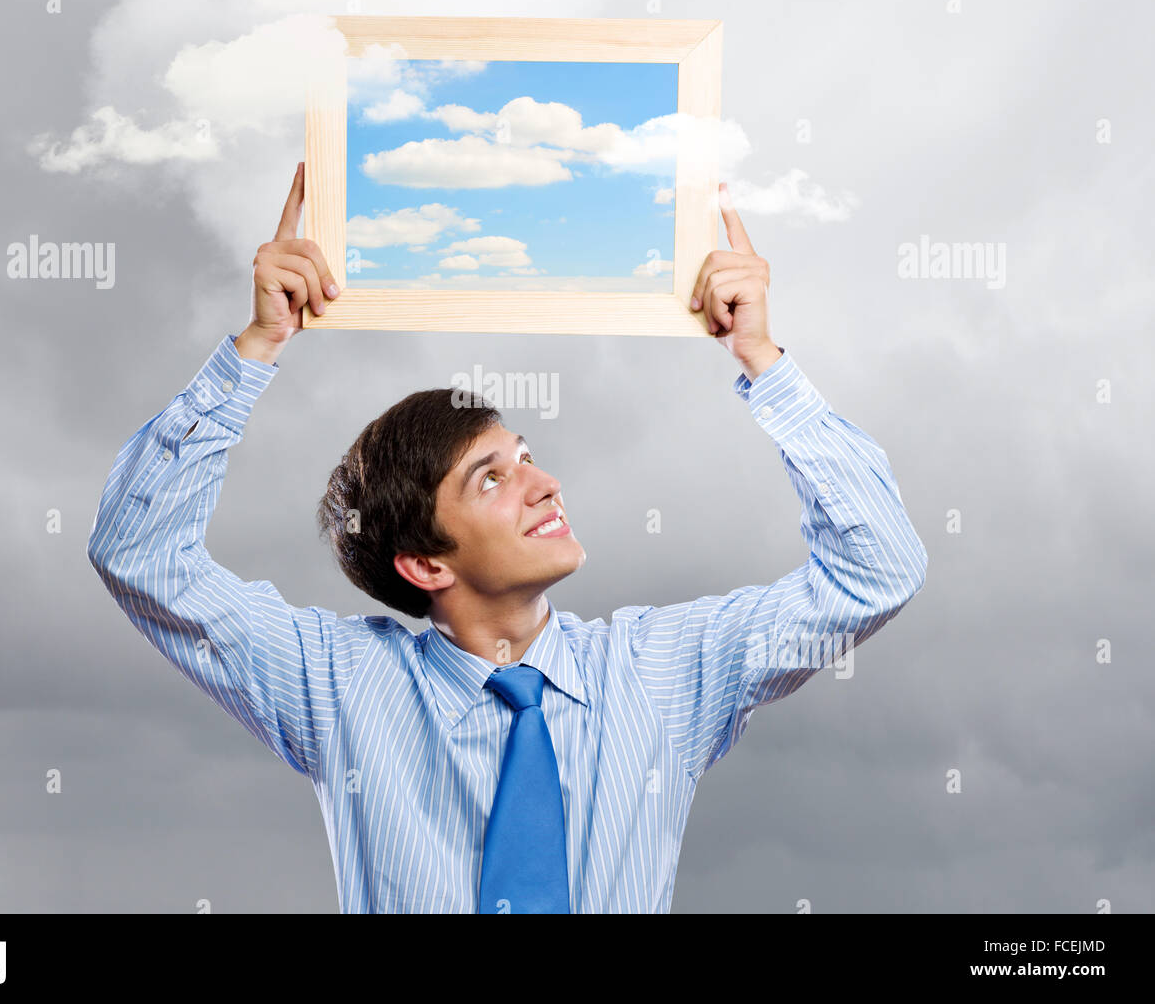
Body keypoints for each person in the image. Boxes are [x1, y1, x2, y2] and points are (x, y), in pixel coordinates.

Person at [87, 161, 927, 913]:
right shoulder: (340, 687)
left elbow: (878, 571)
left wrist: (763, 362)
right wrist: (256, 350)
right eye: (491, 477)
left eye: (527, 457)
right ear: (423, 562)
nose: (546, 482)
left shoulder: (667, 672)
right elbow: (139, 554)